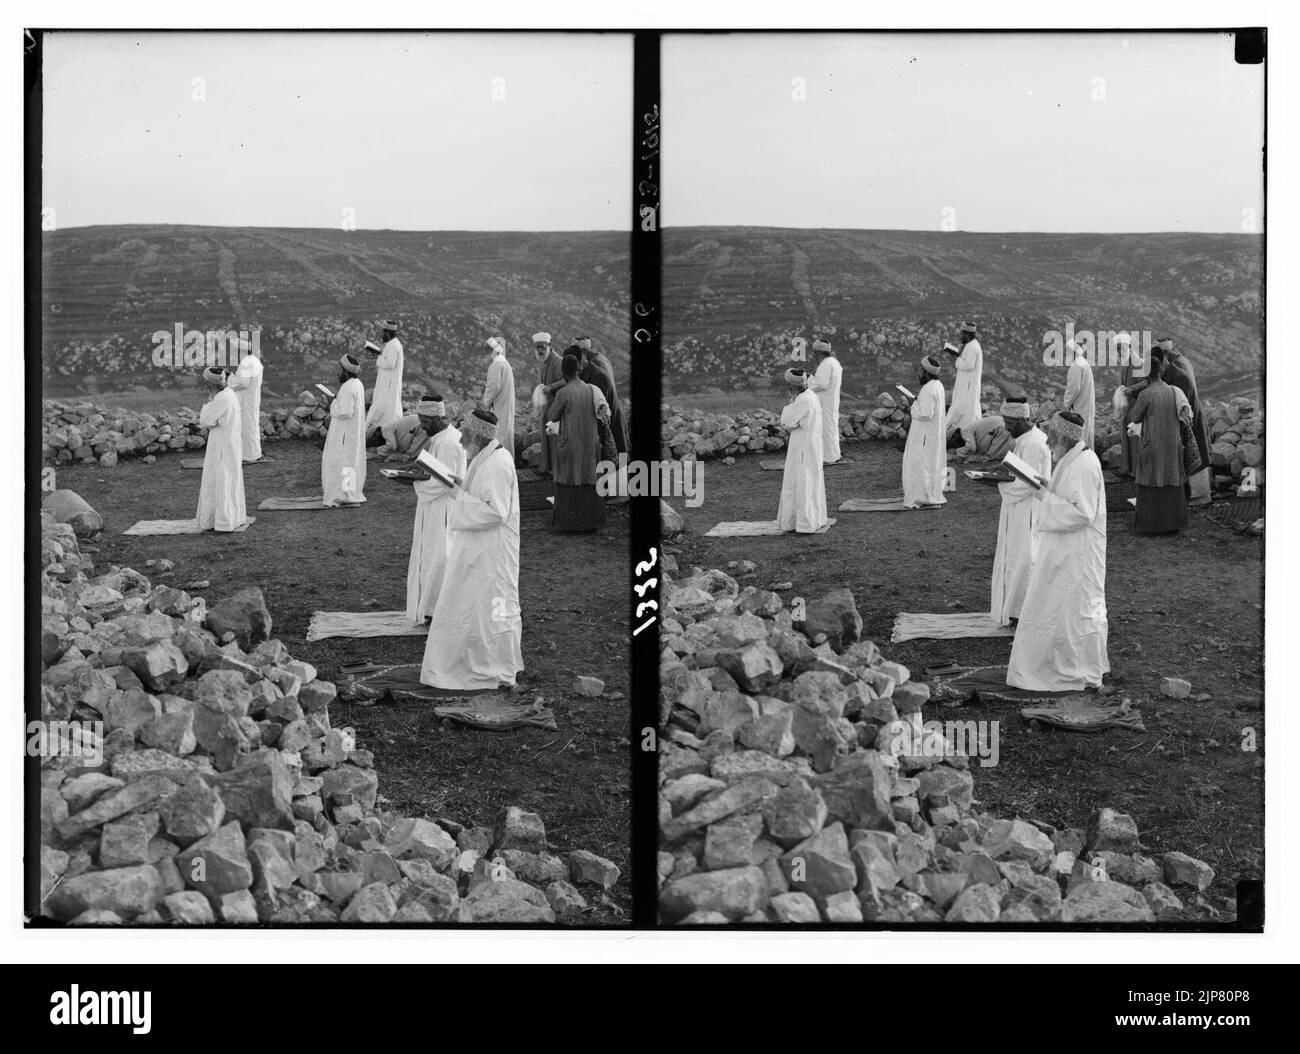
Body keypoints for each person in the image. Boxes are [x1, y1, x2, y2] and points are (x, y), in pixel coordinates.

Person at [420, 409, 524, 691]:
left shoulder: (499, 463)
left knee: (488, 608)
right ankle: (468, 658)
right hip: (477, 548)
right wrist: (453, 483)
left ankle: (492, 665)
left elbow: (496, 512)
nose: (461, 441)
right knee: (468, 605)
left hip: (492, 553)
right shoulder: (485, 457)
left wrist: (459, 500)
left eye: (465, 435)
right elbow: (477, 493)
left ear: (477, 435)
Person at [1007, 411, 1109, 692]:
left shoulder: (1084, 465)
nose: (1048, 443)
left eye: (1052, 437)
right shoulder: (1071, 458)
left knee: (1073, 608)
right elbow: (1065, 495)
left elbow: (1083, 514)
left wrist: (1044, 496)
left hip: (1078, 554)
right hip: (1064, 549)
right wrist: (1042, 484)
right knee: (1055, 604)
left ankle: (1075, 666)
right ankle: (1054, 660)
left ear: (1064, 436)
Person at [405, 394, 467, 624]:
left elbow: (444, 482)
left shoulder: (448, 442)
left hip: (442, 509)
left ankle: (435, 610)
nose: (421, 426)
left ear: (436, 417)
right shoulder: (441, 437)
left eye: (424, 421)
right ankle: (429, 608)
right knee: (431, 557)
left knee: (438, 558)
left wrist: (414, 481)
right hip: (434, 508)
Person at [990, 399, 1051, 625]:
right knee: (1016, 558)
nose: (1006, 428)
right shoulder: (1025, 439)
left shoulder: (1032, 444)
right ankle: (1015, 609)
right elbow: (1020, 473)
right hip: (1019, 508)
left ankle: (1020, 612)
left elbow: (1029, 484)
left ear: (1022, 419)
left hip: (1027, 510)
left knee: (1023, 559)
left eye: (1009, 423)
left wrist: (997, 484)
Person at [1128, 346, 1189, 534]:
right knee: (1172, 480)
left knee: (1151, 481)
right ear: (1161, 371)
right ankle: (1173, 524)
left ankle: (1151, 525)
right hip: (1172, 445)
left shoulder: (1146, 394)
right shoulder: (1174, 391)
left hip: (1152, 445)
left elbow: (1136, 417)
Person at [546, 350, 604, 532]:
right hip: (590, 445)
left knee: (569, 481)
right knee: (588, 481)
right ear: (578, 369)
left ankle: (570, 525)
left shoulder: (563, 392)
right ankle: (590, 523)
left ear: (564, 372)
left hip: (570, 446)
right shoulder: (591, 390)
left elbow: (552, 416)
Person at [195, 366, 247, 532]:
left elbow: (205, 419)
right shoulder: (229, 394)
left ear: (211, 385)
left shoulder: (222, 399)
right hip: (230, 443)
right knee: (230, 479)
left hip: (222, 446)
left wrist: (207, 409)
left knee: (219, 480)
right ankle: (232, 518)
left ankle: (222, 522)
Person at [776, 368, 828, 533]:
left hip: (803, 448)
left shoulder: (803, 401)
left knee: (800, 483)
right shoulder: (811, 396)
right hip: (811, 446)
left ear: (792, 386)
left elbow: (786, 421)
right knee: (810, 482)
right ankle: (813, 520)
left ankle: (803, 523)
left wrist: (791, 402)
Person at [1161, 338, 1211, 506]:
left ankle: (1200, 496)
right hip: (1192, 414)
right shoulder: (1184, 360)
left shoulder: (1178, 368)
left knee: (1195, 454)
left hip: (1189, 418)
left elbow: (1182, 398)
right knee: (1196, 452)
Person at [902, 356, 948, 508]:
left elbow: (925, 414)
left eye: (920, 371)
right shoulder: (937, 385)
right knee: (930, 463)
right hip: (931, 435)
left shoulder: (928, 389)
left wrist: (912, 404)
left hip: (925, 436)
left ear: (927, 373)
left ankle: (922, 497)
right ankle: (928, 495)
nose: (918, 374)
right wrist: (917, 401)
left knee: (921, 464)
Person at [322, 354, 367, 507]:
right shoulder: (357, 384)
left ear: (346, 372)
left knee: (340, 463)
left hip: (344, 434)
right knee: (350, 463)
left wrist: (332, 403)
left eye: (340, 369)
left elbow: (345, 412)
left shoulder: (348, 387)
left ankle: (341, 496)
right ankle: (348, 494)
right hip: (351, 434)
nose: (338, 372)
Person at [577, 336, 627, 454]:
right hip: (612, 410)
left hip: (607, 415)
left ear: (582, 352)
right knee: (620, 446)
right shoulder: (601, 358)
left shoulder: (595, 364)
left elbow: (597, 398)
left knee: (615, 450)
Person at [365, 321, 404, 452]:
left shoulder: (394, 346)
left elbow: (390, 364)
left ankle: (369, 436)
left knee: (385, 410)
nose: (381, 334)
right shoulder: (391, 345)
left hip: (389, 387)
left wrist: (378, 357)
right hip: (386, 385)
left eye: (383, 332)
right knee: (383, 410)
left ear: (388, 333)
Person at [227, 337, 264, 462]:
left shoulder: (247, 362)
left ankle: (247, 455)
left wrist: (230, 384)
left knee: (246, 426)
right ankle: (254, 452)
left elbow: (244, 383)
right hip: (252, 398)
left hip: (246, 399)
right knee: (251, 425)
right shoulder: (255, 360)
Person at [808, 338, 844, 464]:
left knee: (825, 428)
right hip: (831, 400)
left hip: (825, 402)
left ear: (817, 353)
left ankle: (827, 457)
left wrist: (808, 380)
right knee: (830, 427)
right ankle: (833, 454)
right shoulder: (834, 362)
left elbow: (821, 384)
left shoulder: (826, 364)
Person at [533, 332, 565, 476]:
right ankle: (547, 466)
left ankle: (555, 468)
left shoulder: (557, 360)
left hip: (555, 405)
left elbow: (565, 380)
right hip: (545, 405)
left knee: (553, 436)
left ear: (549, 345)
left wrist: (550, 387)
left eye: (542, 346)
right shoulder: (543, 359)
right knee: (545, 435)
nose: (540, 350)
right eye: (538, 347)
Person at [944, 322, 983, 439]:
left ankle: (958, 431)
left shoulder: (973, 347)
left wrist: (957, 359)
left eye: (962, 334)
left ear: (967, 334)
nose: (960, 337)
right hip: (966, 384)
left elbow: (969, 365)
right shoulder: (971, 345)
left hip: (968, 386)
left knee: (964, 408)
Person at [1113, 332, 1144, 479]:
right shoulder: (1124, 362)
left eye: (1122, 348)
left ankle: (1137, 469)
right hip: (1127, 405)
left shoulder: (1137, 362)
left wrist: (1131, 389)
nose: (1119, 351)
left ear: (1129, 347)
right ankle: (1129, 467)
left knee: (1135, 437)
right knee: (1127, 436)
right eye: (1118, 348)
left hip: (1136, 404)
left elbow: (1145, 382)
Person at [482, 336, 516, 458]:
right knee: (506, 434)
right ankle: (508, 463)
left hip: (500, 407)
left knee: (499, 436)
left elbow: (493, 387)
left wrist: (485, 402)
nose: (485, 356)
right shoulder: (505, 363)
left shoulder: (496, 365)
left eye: (486, 352)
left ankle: (499, 463)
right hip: (505, 405)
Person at [1063, 337, 1097, 452]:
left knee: (1080, 434)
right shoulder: (1083, 363)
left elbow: (1074, 388)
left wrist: (1066, 403)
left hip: (1080, 406)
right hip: (1085, 404)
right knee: (1086, 432)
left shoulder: (1076, 365)